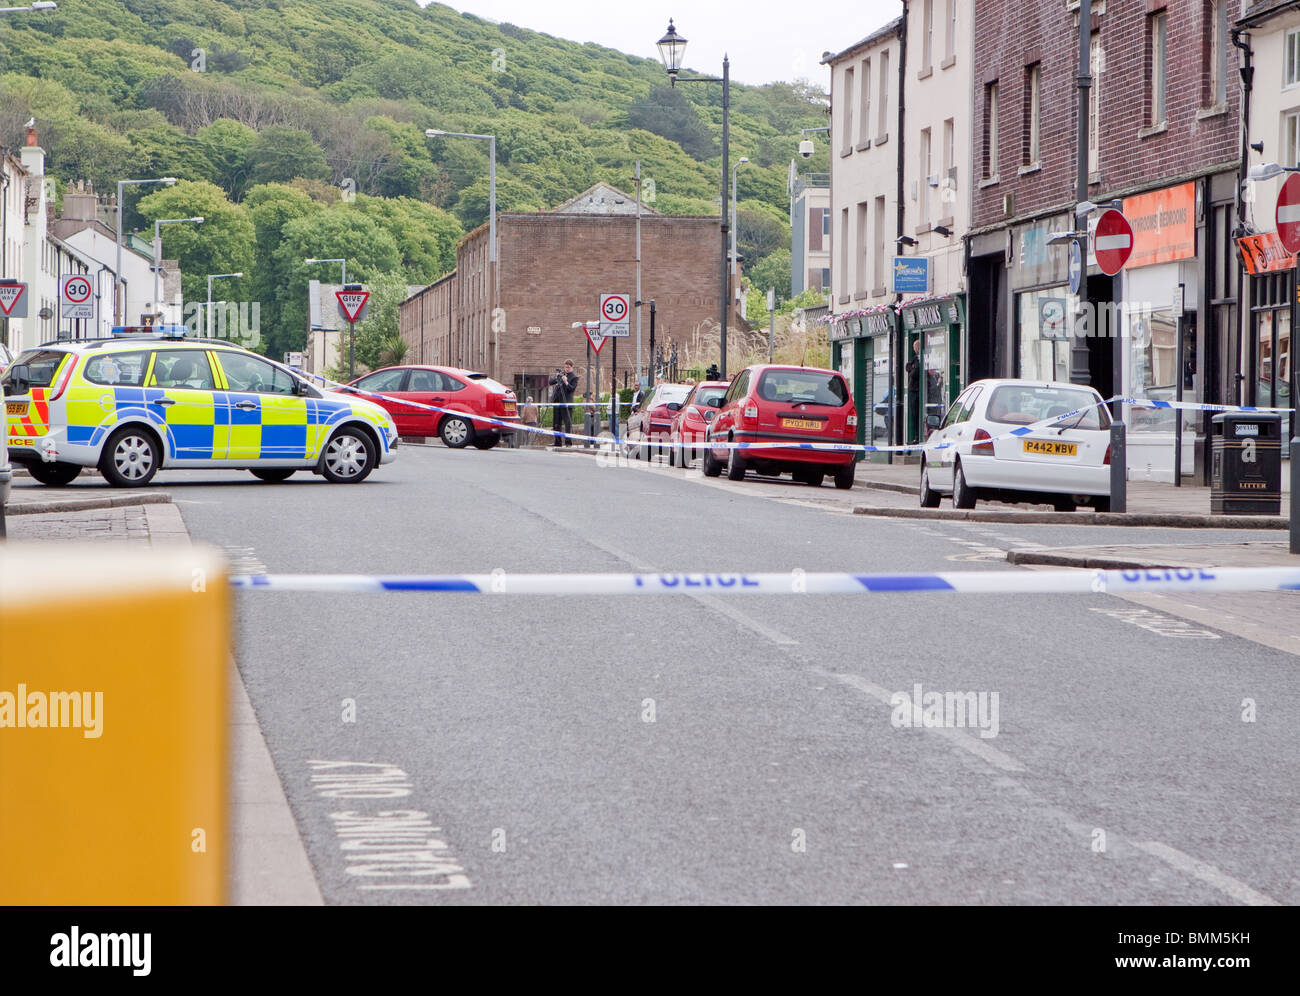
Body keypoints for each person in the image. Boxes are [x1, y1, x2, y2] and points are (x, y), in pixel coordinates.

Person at [549, 360, 578, 447]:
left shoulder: (574, 377)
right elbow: (551, 383)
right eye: (565, 367)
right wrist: (557, 376)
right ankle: (557, 442)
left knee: (567, 423)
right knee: (556, 423)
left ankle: (568, 442)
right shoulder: (562, 374)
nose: (567, 369)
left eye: (568, 367)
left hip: (566, 403)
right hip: (557, 402)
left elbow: (571, 389)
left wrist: (566, 382)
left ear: (572, 367)